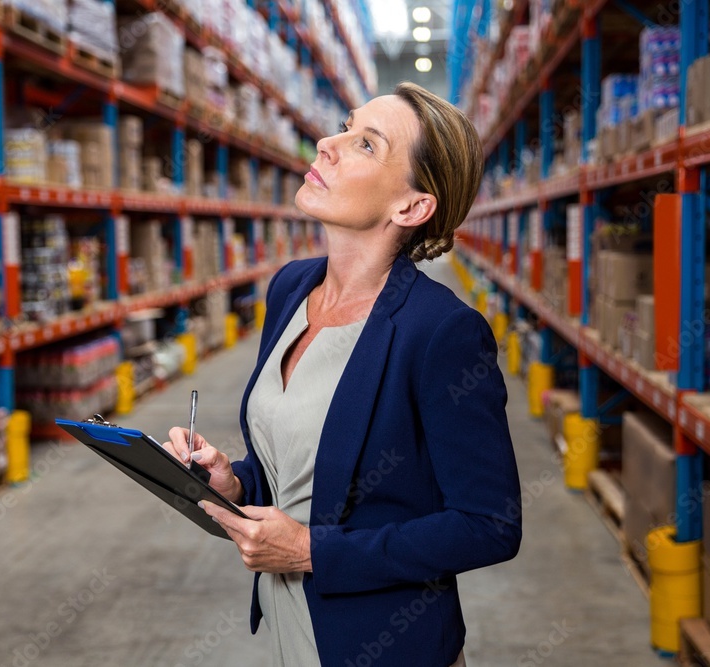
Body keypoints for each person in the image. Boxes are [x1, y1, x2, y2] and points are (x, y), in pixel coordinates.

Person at [164, 82, 521, 667]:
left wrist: (311, 551)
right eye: (345, 125)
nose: (328, 143)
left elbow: (490, 525)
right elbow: (310, 480)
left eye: (366, 144)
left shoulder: (441, 332)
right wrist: (235, 482)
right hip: (290, 633)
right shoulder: (290, 289)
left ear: (411, 207)